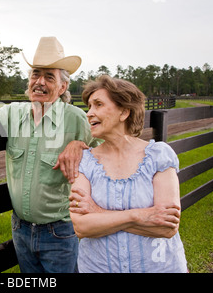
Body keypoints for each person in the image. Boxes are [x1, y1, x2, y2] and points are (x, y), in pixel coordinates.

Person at [0, 37, 101, 273]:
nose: (40, 82)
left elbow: (108, 148)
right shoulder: (13, 113)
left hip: (60, 232)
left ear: (63, 87)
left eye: (49, 77)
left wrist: (80, 144)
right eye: (36, 74)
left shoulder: (75, 118)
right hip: (21, 230)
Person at [69, 75, 188, 273]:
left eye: (98, 104)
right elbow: (81, 226)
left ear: (124, 112)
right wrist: (140, 216)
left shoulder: (158, 156)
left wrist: (99, 214)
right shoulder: (85, 161)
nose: (89, 113)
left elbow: (166, 227)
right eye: (89, 106)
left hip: (159, 267)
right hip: (99, 268)